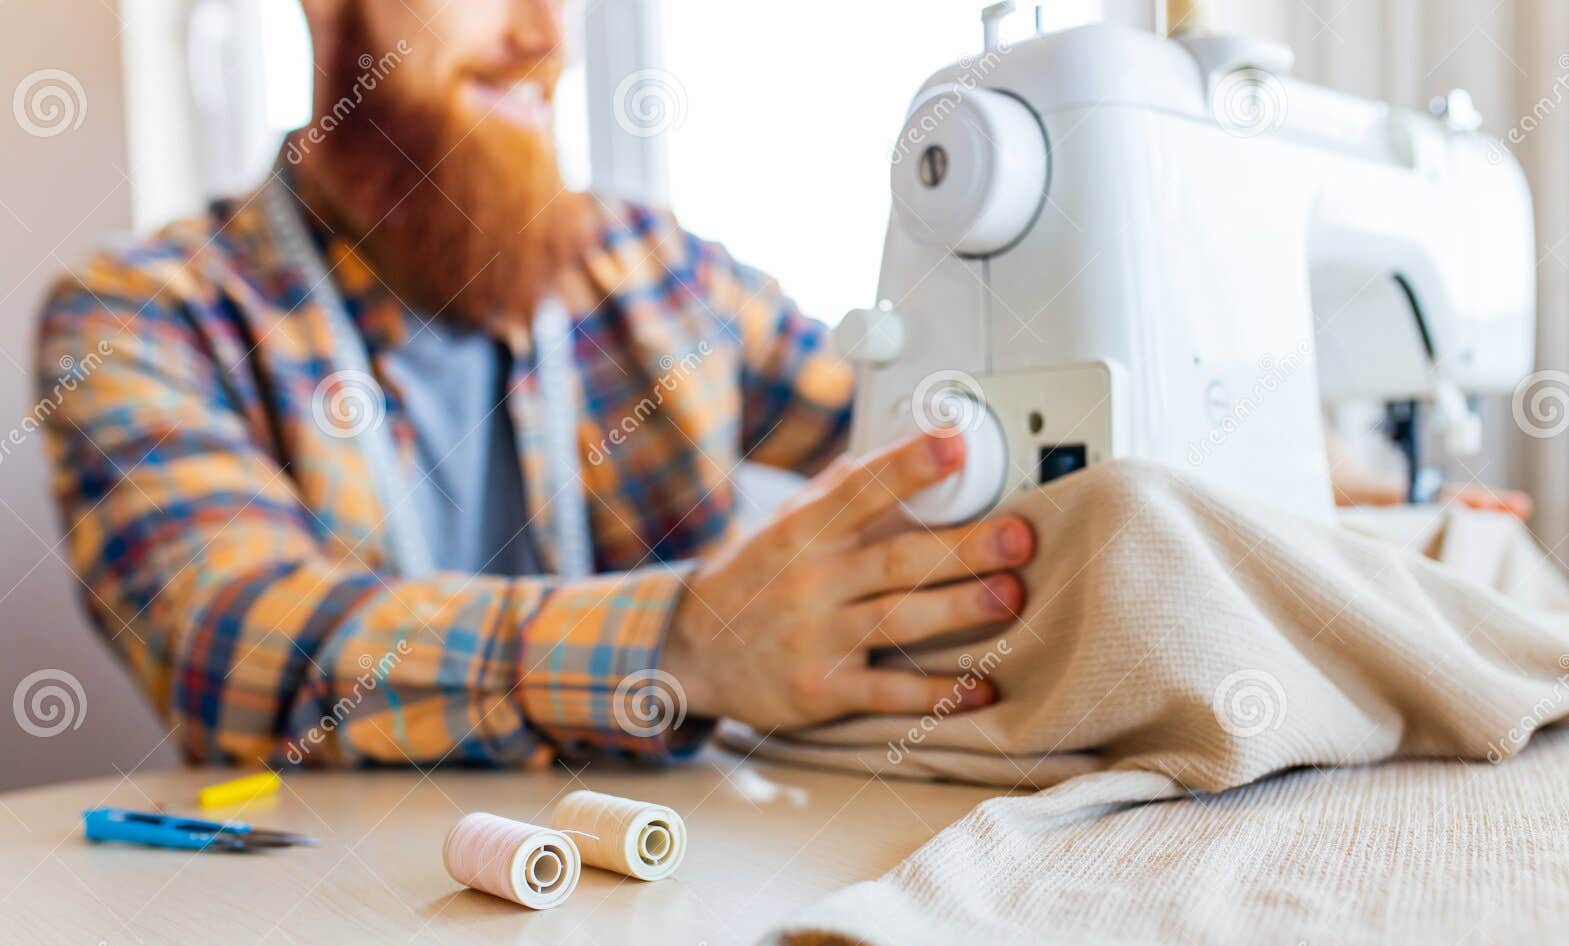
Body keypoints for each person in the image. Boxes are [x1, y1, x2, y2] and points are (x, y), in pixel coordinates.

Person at [34, 0, 1034, 768]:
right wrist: (687, 642)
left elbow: (922, 440)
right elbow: (243, 651)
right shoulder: (144, 317)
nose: (545, 37)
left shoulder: (659, 273)